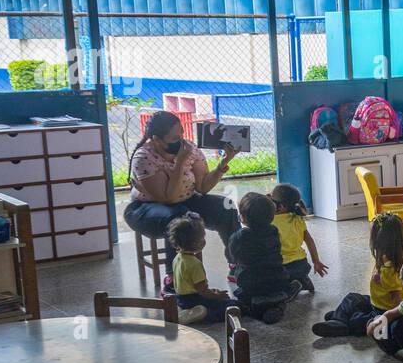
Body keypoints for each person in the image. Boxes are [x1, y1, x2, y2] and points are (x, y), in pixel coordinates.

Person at [123, 112, 241, 282]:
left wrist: (223, 163)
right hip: (146, 208)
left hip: (186, 201)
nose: (181, 141)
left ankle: (237, 264)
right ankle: (173, 278)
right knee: (180, 217)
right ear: (157, 139)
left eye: (182, 135)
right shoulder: (144, 157)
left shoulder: (189, 149)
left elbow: (203, 187)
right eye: (174, 138)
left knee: (225, 206)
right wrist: (179, 163)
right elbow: (168, 198)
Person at [312, 212, 403, 338]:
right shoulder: (385, 259)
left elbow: (396, 301)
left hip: (384, 312)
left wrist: (393, 320)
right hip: (376, 303)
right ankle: (340, 318)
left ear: (378, 241)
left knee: (356, 321)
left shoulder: (390, 270)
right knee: (352, 298)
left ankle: (341, 320)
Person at [228, 192, 300, 323]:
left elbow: (233, 256)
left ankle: (254, 310)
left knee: (244, 298)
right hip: (277, 279)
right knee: (280, 290)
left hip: (250, 282)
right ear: (272, 217)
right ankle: (278, 305)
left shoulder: (239, 237)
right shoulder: (273, 231)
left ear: (242, 217)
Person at [166, 215, 235, 325]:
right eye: (203, 238)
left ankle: (185, 310)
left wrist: (212, 291)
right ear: (196, 243)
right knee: (230, 306)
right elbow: (202, 291)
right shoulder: (194, 263)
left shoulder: (177, 258)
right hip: (194, 300)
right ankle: (199, 313)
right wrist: (217, 296)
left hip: (181, 298)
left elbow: (189, 284)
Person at [270, 182, 329, 293]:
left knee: (272, 281)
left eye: (271, 200)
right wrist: (316, 261)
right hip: (302, 264)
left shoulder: (272, 222)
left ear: (281, 206)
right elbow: (309, 241)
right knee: (294, 273)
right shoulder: (297, 218)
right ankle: (302, 279)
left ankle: (291, 288)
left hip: (284, 267)